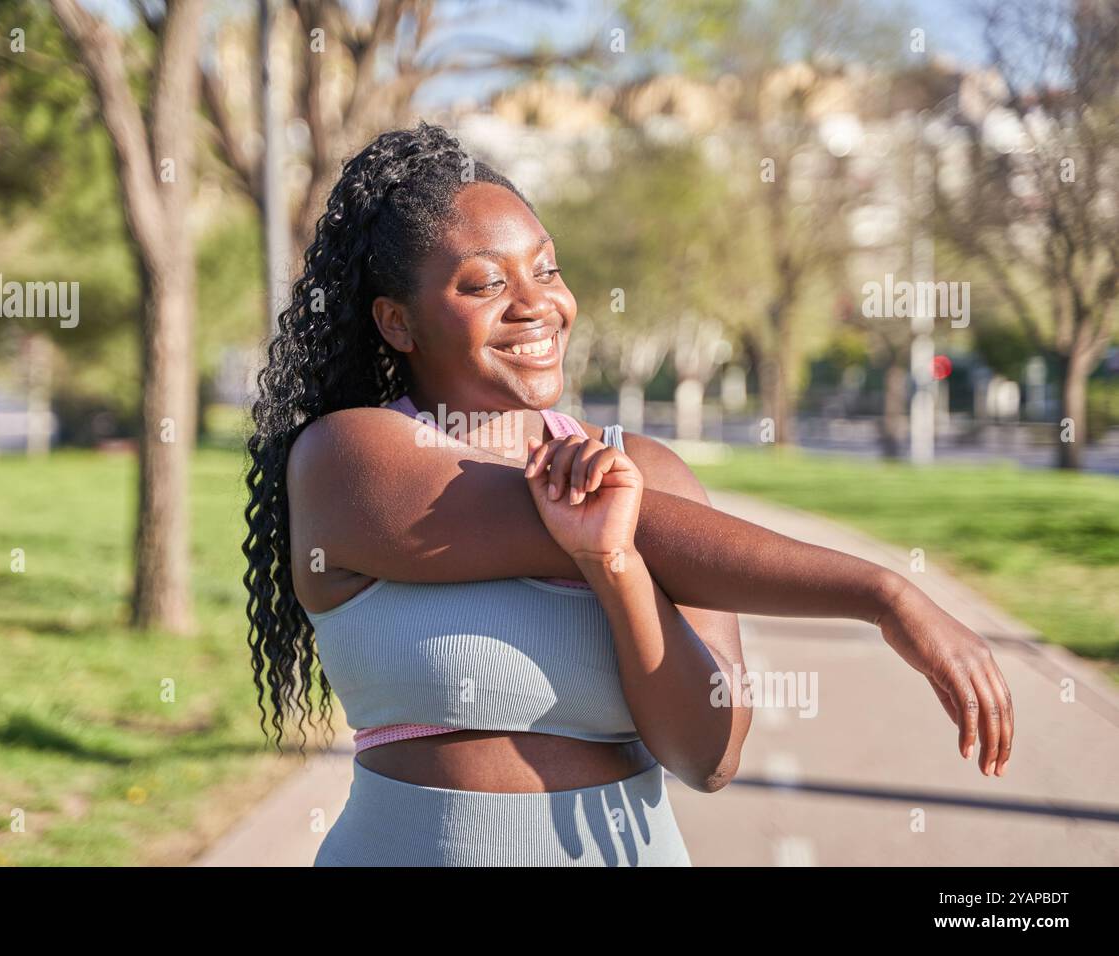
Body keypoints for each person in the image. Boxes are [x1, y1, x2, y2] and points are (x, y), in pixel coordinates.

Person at [243, 122, 1013, 867]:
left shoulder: (651, 471)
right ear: (397, 323)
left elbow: (708, 757)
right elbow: (553, 515)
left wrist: (616, 566)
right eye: (484, 283)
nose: (536, 303)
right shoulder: (350, 459)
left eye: (545, 270)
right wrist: (882, 594)